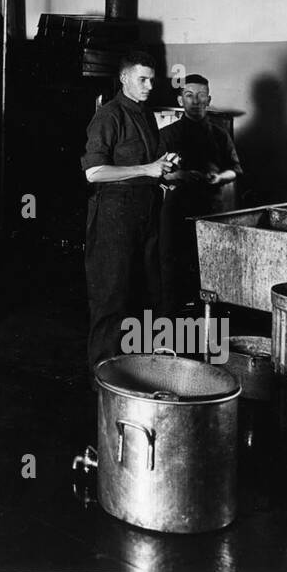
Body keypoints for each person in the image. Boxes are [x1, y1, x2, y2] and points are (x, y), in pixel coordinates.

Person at [81, 49, 177, 388]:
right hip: (114, 215)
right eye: (143, 79)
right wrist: (145, 169)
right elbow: (94, 172)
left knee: (146, 294)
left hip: (146, 213)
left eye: (152, 79)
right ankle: (103, 380)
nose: (150, 86)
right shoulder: (109, 116)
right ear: (124, 78)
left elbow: (149, 165)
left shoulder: (146, 116)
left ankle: (135, 373)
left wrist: (163, 165)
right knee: (112, 297)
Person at [159, 73, 242, 311]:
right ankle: (175, 324)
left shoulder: (219, 134)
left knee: (209, 266)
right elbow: (157, 174)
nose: (195, 101)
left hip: (211, 209)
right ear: (180, 100)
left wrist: (219, 177)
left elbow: (235, 170)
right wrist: (178, 176)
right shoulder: (167, 135)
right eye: (189, 95)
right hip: (176, 211)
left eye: (201, 96)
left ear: (208, 99)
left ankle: (207, 323)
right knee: (175, 268)